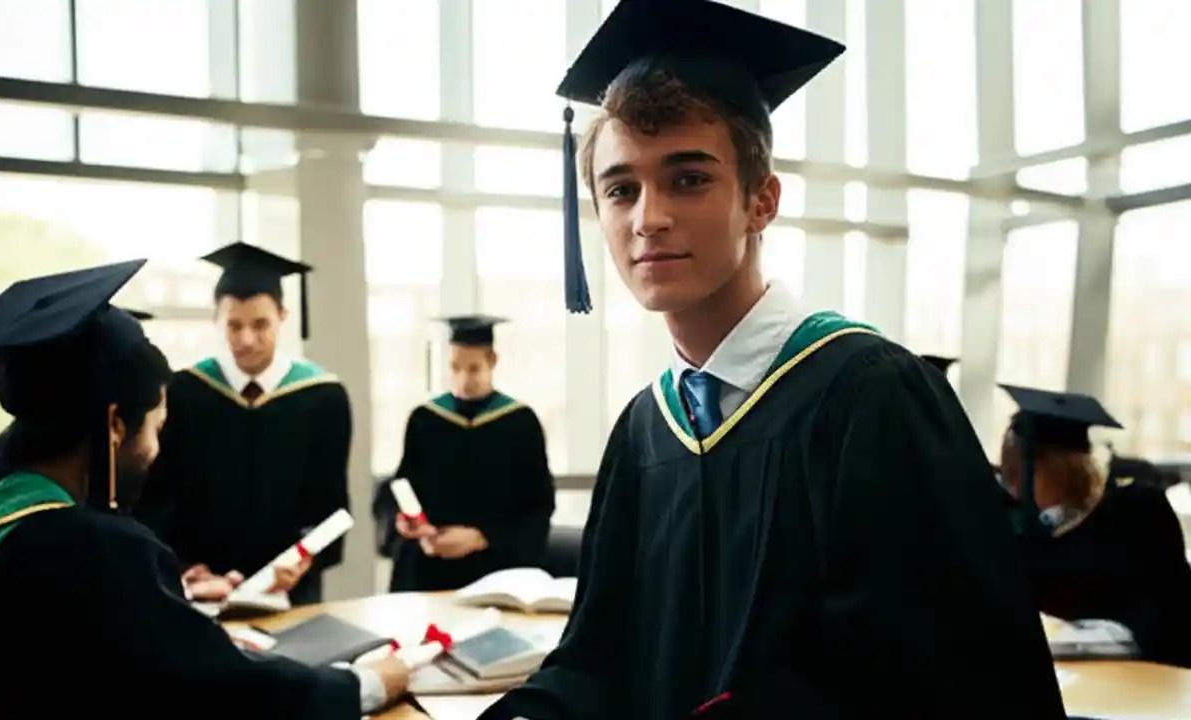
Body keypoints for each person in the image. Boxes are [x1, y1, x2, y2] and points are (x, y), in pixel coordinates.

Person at [482, 2, 1064, 718]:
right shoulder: (643, 432)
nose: (648, 218)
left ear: (762, 200)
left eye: (688, 179)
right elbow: (598, 660)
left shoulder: (870, 397)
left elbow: (950, 684)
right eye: (620, 188)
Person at [0, 261, 407, 719]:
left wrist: (180, 594)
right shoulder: (95, 550)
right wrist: (363, 685)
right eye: (155, 426)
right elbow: (218, 691)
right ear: (113, 427)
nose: (153, 450)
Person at [137, 242, 351, 605]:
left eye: (260, 324)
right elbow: (159, 496)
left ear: (283, 316)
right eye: (233, 325)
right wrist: (184, 566)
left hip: (288, 591)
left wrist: (305, 559)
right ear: (216, 319)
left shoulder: (323, 397)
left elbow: (329, 504)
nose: (246, 339)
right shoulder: (185, 391)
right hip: (201, 590)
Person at [998, 384, 1191, 668]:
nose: (1015, 491)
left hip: (1161, 681)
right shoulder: (1055, 525)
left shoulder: (1137, 512)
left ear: (1048, 469)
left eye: (1018, 475)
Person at [379, 315, 555, 592]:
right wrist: (407, 523)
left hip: (494, 571)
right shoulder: (425, 419)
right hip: (429, 568)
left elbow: (538, 507)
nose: (463, 380)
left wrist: (480, 538)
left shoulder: (520, 423)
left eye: (473, 369)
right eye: (454, 368)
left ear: (493, 361)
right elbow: (401, 489)